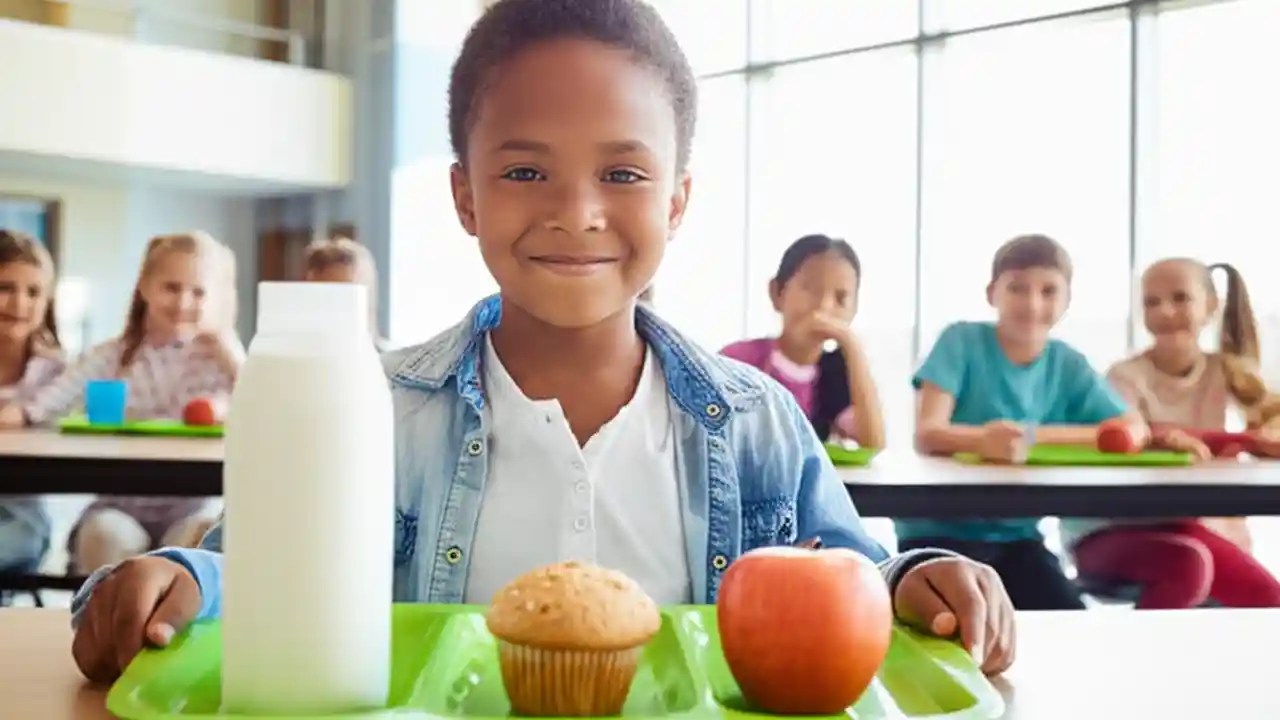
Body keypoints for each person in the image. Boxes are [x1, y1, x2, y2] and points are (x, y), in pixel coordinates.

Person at [69, 0, 1015, 684]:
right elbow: (248, 573)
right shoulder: (373, 408)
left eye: (623, 171)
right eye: (526, 169)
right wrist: (172, 578)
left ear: (677, 201)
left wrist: (921, 577)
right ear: (466, 195)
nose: (577, 213)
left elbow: (852, 576)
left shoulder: (757, 420)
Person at [909, 234, 1145, 610]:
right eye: (1017, 288)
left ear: (1067, 300)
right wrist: (980, 441)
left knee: (1071, 622)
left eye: (1049, 291)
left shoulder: (1066, 362)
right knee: (964, 626)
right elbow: (927, 434)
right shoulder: (960, 341)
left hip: (1016, 538)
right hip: (937, 535)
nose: (1032, 303)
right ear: (992, 293)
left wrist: (1031, 437)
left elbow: (1131, 428)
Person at [0, 232, 243, 574]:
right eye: (171, 288)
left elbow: (260, 404)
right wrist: (21, 411)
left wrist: (229, 347)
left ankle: (165, 623)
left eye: (198, 292)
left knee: (202, 543)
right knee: (104, 536)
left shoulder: (220, 360)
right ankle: (114, 621)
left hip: (189, 508)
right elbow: (61, 391)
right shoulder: (115, 355)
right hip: (121, 506)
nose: (184, 301)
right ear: (145, 287)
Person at [1063, 258, 1280, 608]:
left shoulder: (1227, 372)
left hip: (1184, 525)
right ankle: (1139, 662)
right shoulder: (1124, 377)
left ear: (1210, 306)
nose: (1165, 310)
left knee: (1268, 598)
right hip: (1108, 530)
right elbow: (1128, 437)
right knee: (1187, 564)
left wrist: (1263, 439)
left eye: (1180, 298)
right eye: (1151, 302)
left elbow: (1269, 419)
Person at [722, 235, 885, 447]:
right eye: (812, 289)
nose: (824, 306)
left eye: (841, 298)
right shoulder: (738, 361)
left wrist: (852, 347)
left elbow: (873, 444)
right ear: (777, 292)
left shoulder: (838, 373)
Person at [0, 230, 63, 594]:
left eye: (34, 292)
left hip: (21, 519)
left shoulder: (58, 374)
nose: (19, 303)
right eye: (5, 287)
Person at [303, 236, 387, 349]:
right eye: (327, 297)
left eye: (348, 296)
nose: (337, 309)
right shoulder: (289, 358)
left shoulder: (397, 364)